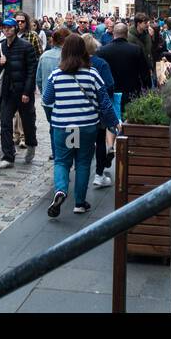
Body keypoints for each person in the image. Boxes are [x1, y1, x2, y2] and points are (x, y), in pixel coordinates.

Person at [42, 36, 118, 218]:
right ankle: (79, 203)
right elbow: (105, 103)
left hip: (63, 126)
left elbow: (46, 100)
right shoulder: (92, 74)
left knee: (62, 161)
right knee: (83, 163)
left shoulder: (56, 76)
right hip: (86, 126)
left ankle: (60, 190)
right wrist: (114, 123)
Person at [0, 16, 38, 169]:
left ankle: (31, 144)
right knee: (5, 123)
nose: (6, 30)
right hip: (7, 92)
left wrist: (27, 92)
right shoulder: (1, 47)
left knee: (28, 122)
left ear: (15, 29)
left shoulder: (26, 46)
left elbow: (32, 71)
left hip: (23, 92)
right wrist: (0, 63)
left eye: (10, 27)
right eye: (4, 27)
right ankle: (8, 156)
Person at [81, 33, 118, 189]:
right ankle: (99, 174)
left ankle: (77, 170)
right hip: (97, 111)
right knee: (100, 141)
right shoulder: (101, 64)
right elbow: (109, 85)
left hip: (77, 113)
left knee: (77, 143)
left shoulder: (73, 63)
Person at [97, 22, 153, 121]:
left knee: (112, 123)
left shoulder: (103, 51)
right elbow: (145, 73)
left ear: (113, 34)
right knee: (131, 120)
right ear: (127, 34)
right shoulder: (136, 49)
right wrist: (147, 89)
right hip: (132, 92)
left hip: (111, 92)